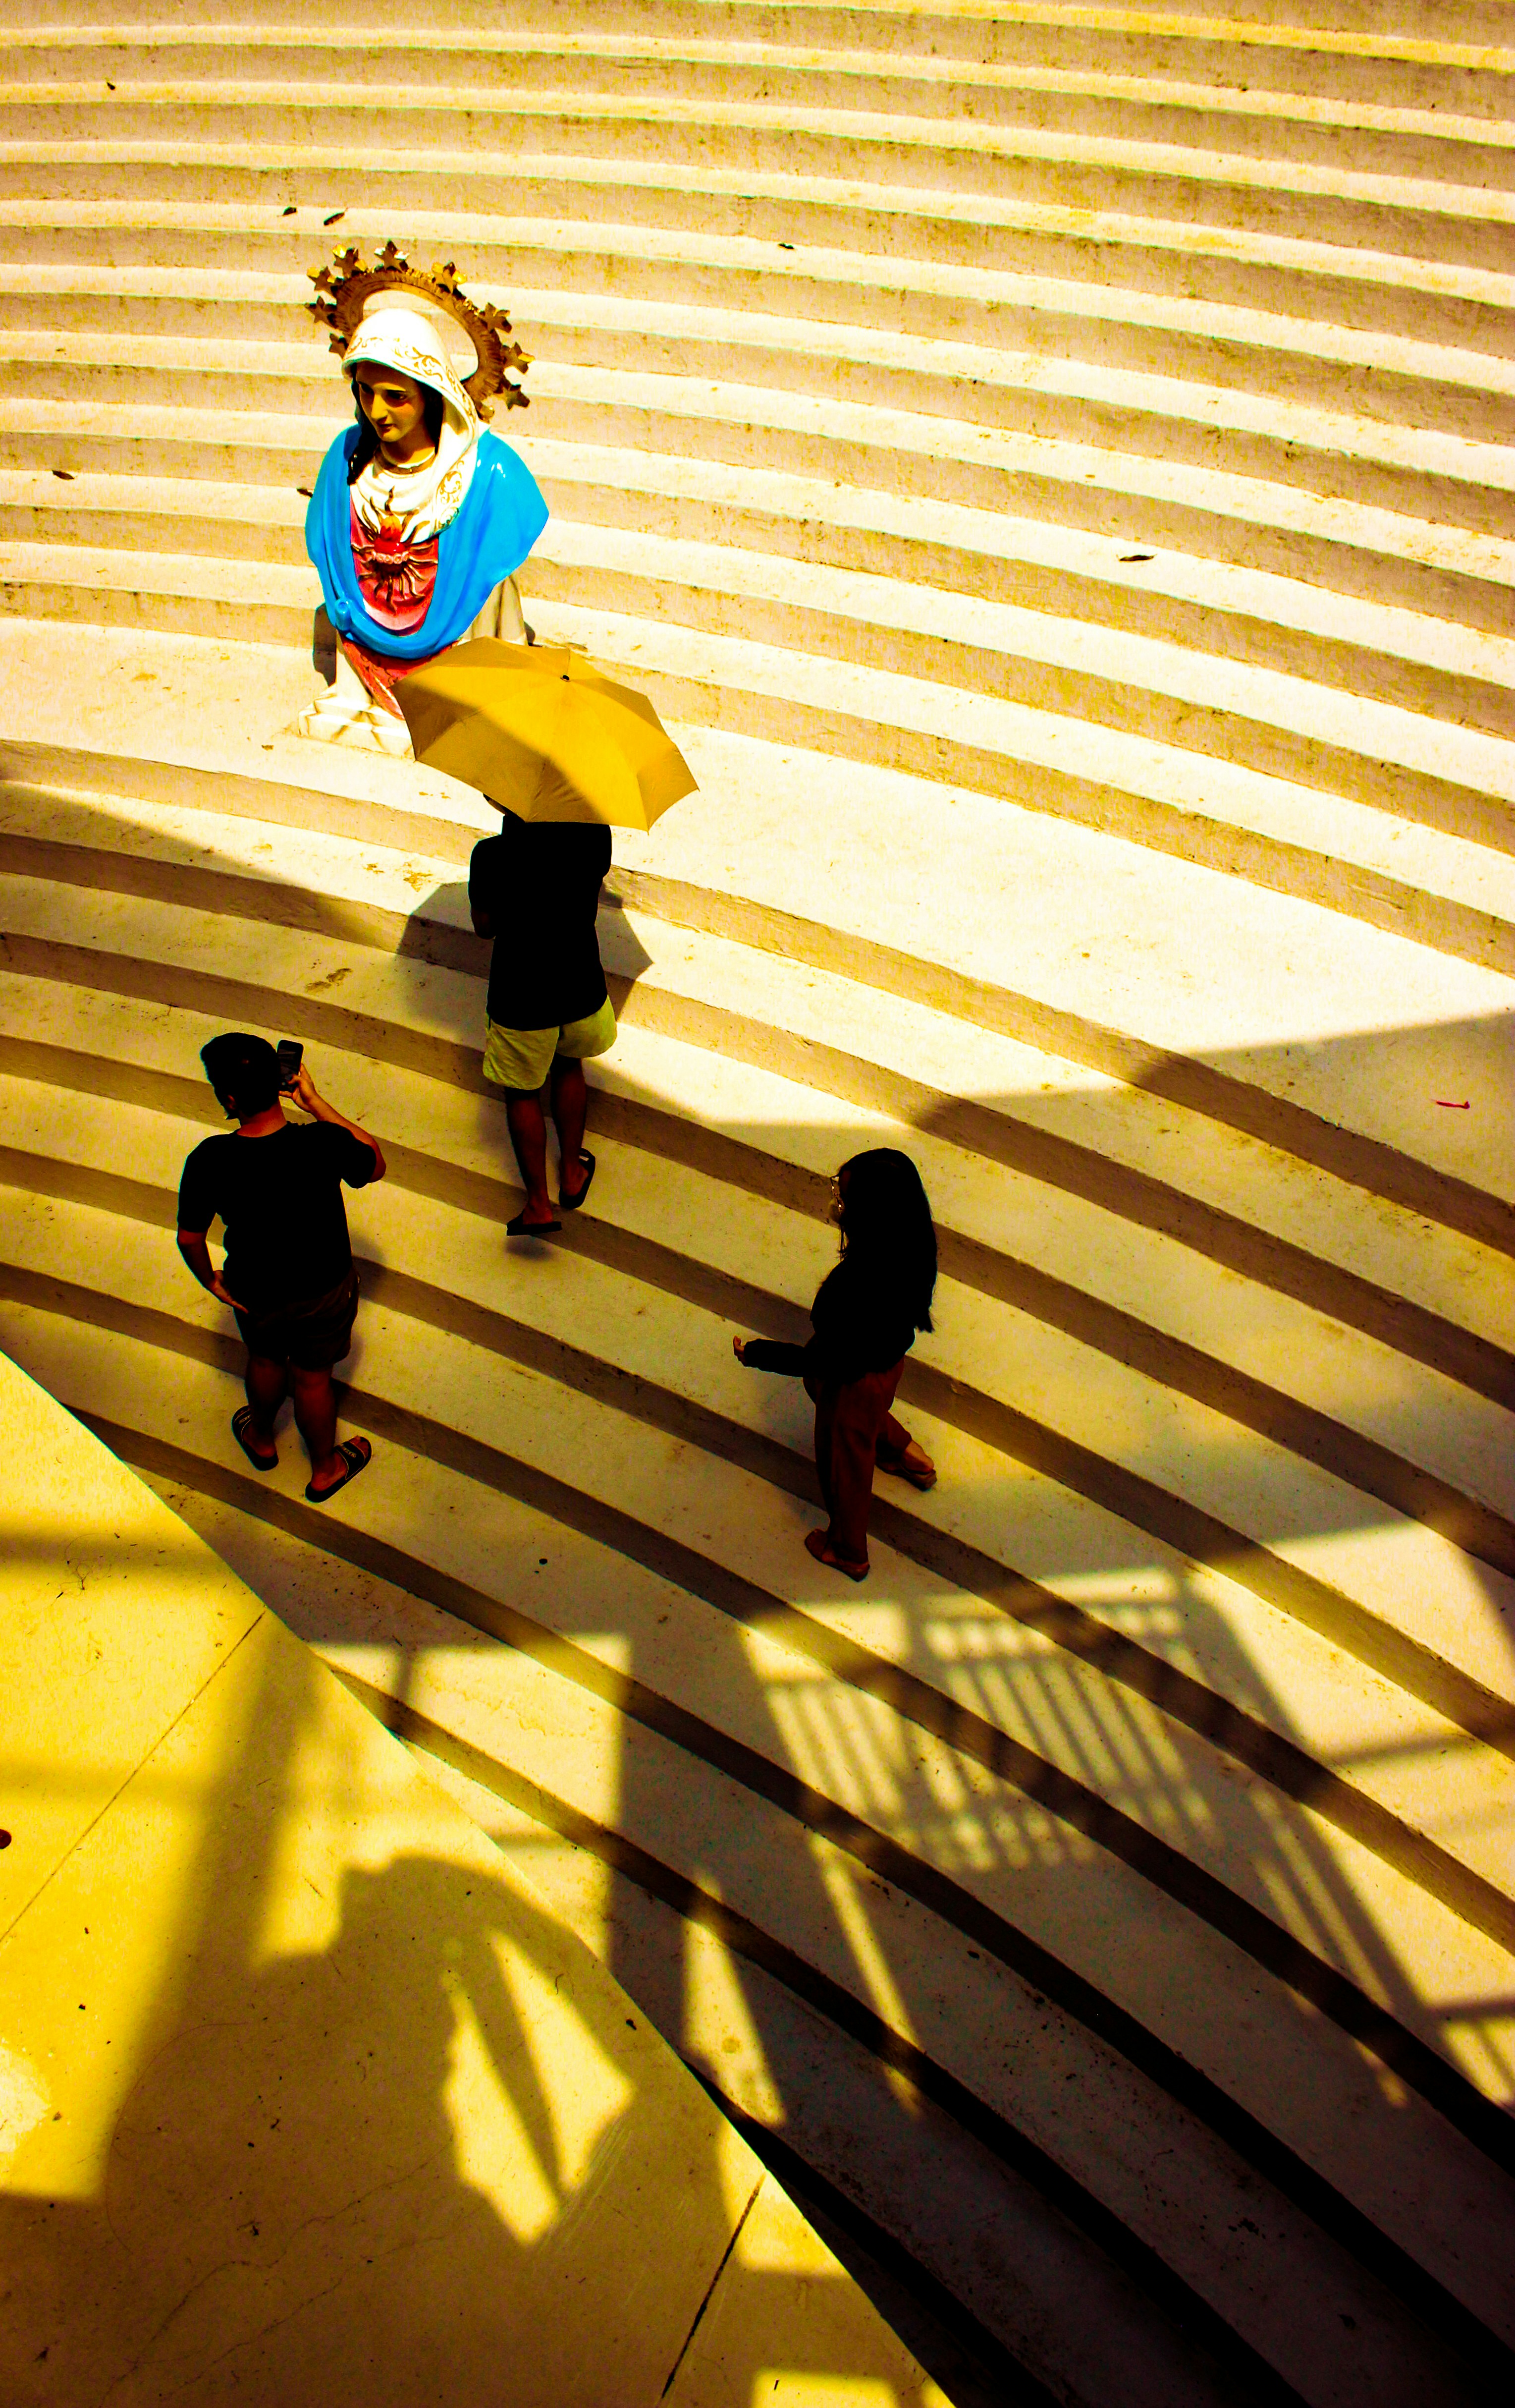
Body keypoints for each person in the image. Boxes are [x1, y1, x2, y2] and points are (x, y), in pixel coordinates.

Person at [299, 299, 547, 753]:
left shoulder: (489, 475)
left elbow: (493, 558)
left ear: (433, 393)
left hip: (451, 641)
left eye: (396, 396)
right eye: (365, 391)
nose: (377, 411)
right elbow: (333, 558)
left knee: (489, 577)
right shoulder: (344, 463)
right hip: (359, 629)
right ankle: (353, 690)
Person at [176, 1035, 386, 1502]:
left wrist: (211, 1280)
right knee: (313, 1378)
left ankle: (262, 1438)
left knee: (266, 1359)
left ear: (229, 1100)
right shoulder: (322, 1141)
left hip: (257, 1289)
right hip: (324, 1288)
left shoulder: (209, 1158)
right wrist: (315, 1104)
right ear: (281, 1082)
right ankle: (326, 1470)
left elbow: (190, 1237)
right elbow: (374, 1164)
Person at [734, 1149, 938, 1581]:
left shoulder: (860, 1285)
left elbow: (821, 1362)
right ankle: (904, 1454)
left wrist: (758, 1354)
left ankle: (847, 1550)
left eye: (845, 1200)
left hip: (851, 1381)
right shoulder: (911, 1250)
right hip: (884, 1365)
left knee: (844, 1466)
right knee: (863, 1417)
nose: (837, 1207)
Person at [469, 809, 616, 1236]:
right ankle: (571, 1174)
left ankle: (538, 1204)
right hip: (579, 983)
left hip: (522, 993)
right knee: (569, 1067)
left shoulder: (492, 855)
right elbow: (592, 890)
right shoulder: (594, 836)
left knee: (522, 1091)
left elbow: (484, 927)